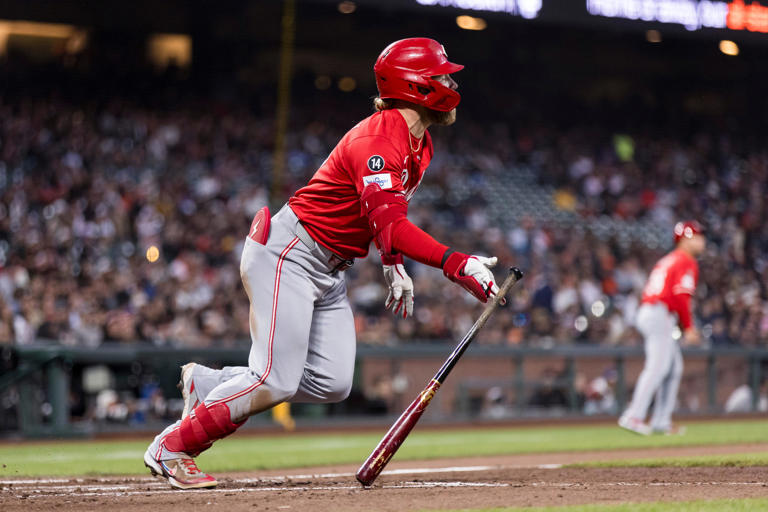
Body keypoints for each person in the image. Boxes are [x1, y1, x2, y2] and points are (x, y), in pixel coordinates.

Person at [143, 37, 503, 489]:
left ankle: (209, 384)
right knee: (275, 381)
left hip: (329, 269)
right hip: (290, 253)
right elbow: (392, 223)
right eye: (442, 77)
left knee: (333, 383)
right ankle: (172, 447)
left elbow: (383, 215)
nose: (452, 85)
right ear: (417, 86)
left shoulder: (420, 142)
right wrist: (456, 263)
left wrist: (392, 262)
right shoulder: (379, 138)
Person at [618, 221, 705, 435]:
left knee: (673, 367)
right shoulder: (686, 260)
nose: (701, 241)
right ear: (684, 239)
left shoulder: (668, 259)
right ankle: (634, 415)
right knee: (658, 367)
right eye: (696, 237)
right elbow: (681, 296)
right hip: (659, 313)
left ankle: (661, 421)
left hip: (652, 311)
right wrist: (688, 327)